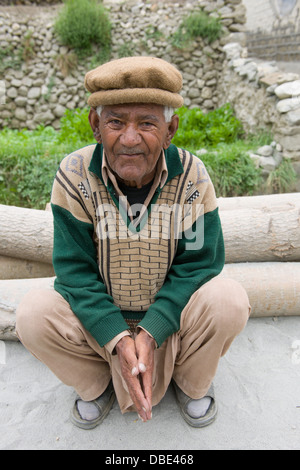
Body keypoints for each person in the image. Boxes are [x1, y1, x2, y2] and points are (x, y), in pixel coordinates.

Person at [16, 56, 250, 430]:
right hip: (100, 334)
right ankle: (98, 385)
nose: (129, 138)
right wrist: (119, 339)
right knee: (32, 314)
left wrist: (153, 331)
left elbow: (199, 266)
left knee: (228, 299)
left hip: (172, 329)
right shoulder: (74, 177)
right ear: (95, 125)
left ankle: (190, 382)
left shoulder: (191, 177)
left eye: (147, 123)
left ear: (170, 129)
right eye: (115, 122)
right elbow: (75, 273)